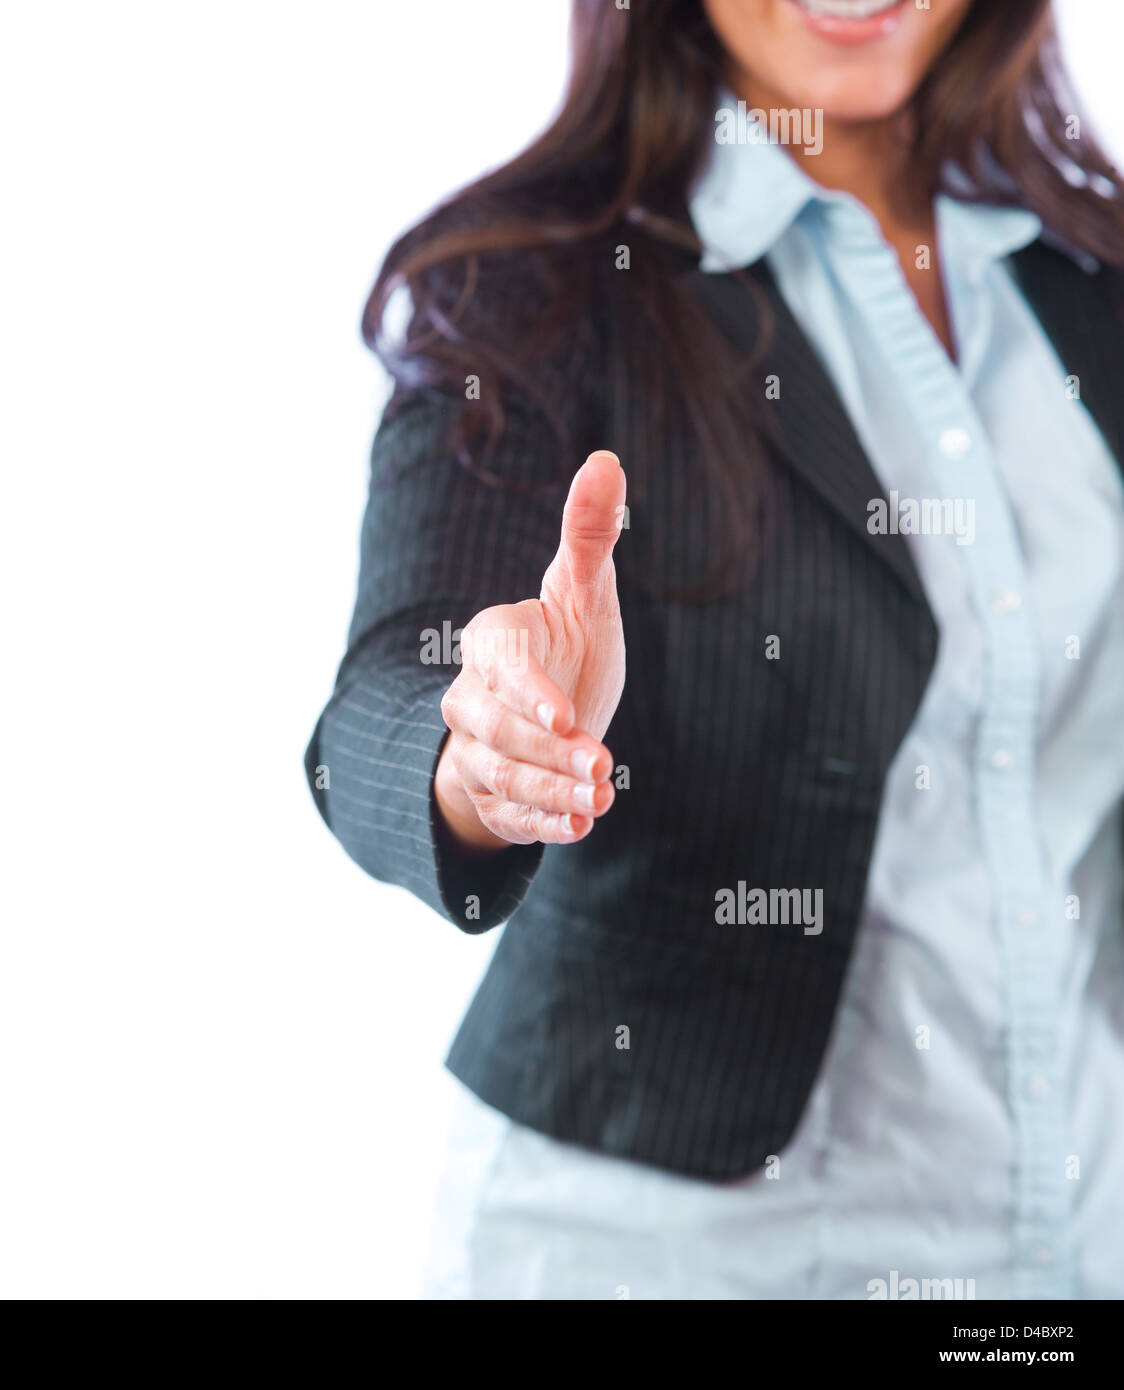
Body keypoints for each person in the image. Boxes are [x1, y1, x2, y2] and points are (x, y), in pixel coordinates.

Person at [305, 0, 1124, 1298]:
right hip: (670, 1259)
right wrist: (484, 744)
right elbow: (388, 697)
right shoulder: (541, 283)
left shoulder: (1089, 279)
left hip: (1065, 1240)